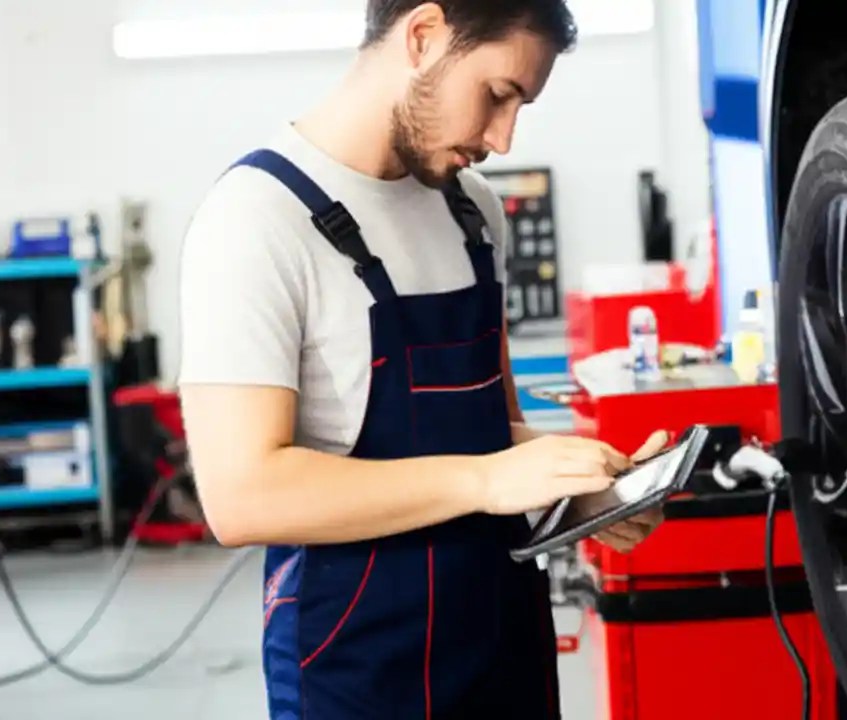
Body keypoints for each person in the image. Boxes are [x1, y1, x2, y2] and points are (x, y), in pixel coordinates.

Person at [176, 1, 667, 717]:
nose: (503, 138)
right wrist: (487, 479)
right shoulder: (255, 220)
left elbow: (494, 438)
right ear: (424, 36)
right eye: (497, 95)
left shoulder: (472, 212)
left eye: (520, 106)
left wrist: (582, 484)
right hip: (361, 669)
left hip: (506, 646)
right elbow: (242, 495)